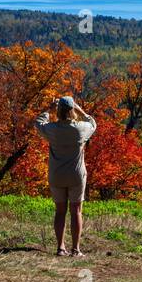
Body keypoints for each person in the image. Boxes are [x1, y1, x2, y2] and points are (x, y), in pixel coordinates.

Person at [34, 96, 97, 257]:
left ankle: (61, 248)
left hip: (57, 175)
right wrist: (80, 109)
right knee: (76, 211)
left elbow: (38, 123)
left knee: (60, 211)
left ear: (59, 111)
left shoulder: (52, 129)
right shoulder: (80, 129)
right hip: (76, 175)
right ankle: (76, 249)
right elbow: (93, 124)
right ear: (72, 110)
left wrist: (49, 109)